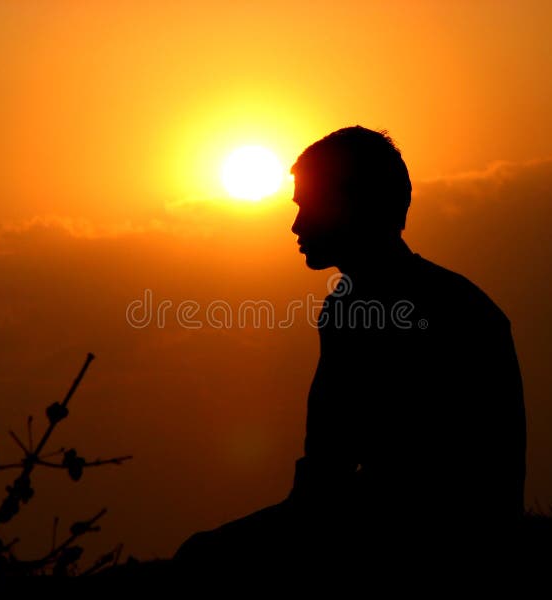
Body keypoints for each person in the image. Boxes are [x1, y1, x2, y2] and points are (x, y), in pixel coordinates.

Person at [172, 125, 527, 577]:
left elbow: (343, 474)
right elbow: (330, 467)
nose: (296, 225)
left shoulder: (408, 311)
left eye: (309, 206)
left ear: (354, 206)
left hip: (431, 541)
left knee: (201, 560)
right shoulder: (359, 305)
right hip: (404, 526)